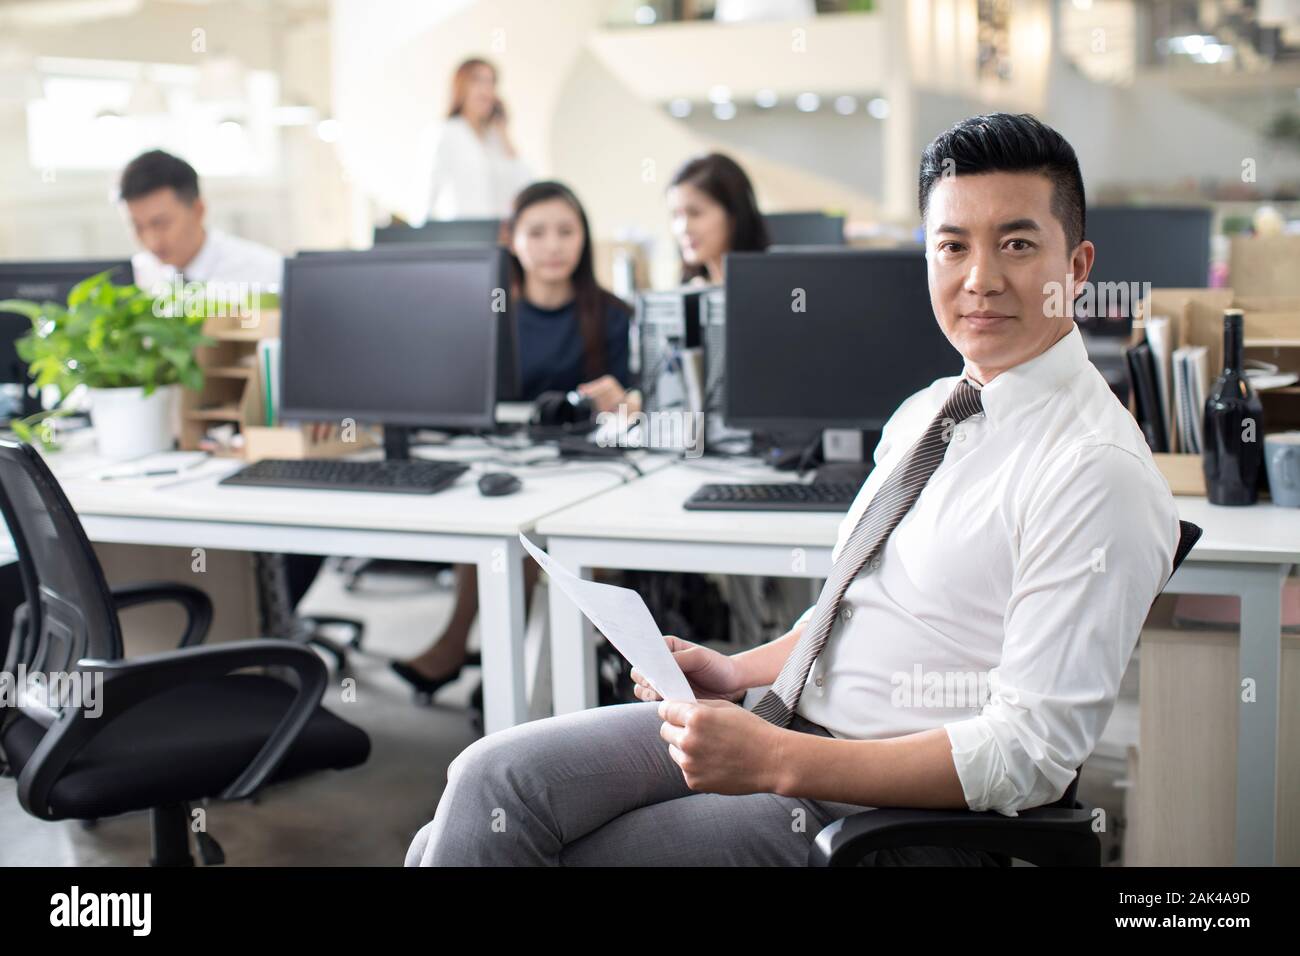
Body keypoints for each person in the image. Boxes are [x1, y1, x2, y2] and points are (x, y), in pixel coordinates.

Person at [405, 113, 1180, 866]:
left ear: (1076, 267)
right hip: (789, 729)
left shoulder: (1094, 469)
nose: (980, 278)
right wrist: (742, 670)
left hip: (893, 815)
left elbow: (1028, 757)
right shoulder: (927, 412)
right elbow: (859, 608)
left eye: (1016, 243)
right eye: (952, 245)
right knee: (484, 787)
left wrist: (777, 760)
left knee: (508, 847)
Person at [391, 181, 634, 697]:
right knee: (498, 515)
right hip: (510, 463)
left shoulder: (611, 314)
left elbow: (646, 402)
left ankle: (488, 667)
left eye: (566, 232)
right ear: (513, 240)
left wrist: (626, 397)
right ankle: (502, 673)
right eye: (538, 232)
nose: (553, 246)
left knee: (521, 530)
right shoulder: (491, 312)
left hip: (591, 472)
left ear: (584, 239)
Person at [119, 149, 282, 293]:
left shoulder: (266, 273)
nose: (152, 242)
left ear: (198, 210)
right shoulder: (135, 279)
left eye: (161, 224)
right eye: (137, 226)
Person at [424, 58, 533, 222]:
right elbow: (427, 192)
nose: (486, 90)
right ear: (461, 87)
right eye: (478, 81)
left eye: (491, 83)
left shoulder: (496, 140)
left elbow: (526, 187)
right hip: (462, 234)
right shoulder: (446, 132)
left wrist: (504, 134)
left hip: (499, 235)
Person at [666, 152, 769, 285]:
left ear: (733, 215)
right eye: (676, 215)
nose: (683, 228)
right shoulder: (694, 288)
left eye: (695, 213)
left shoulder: (769, 287)